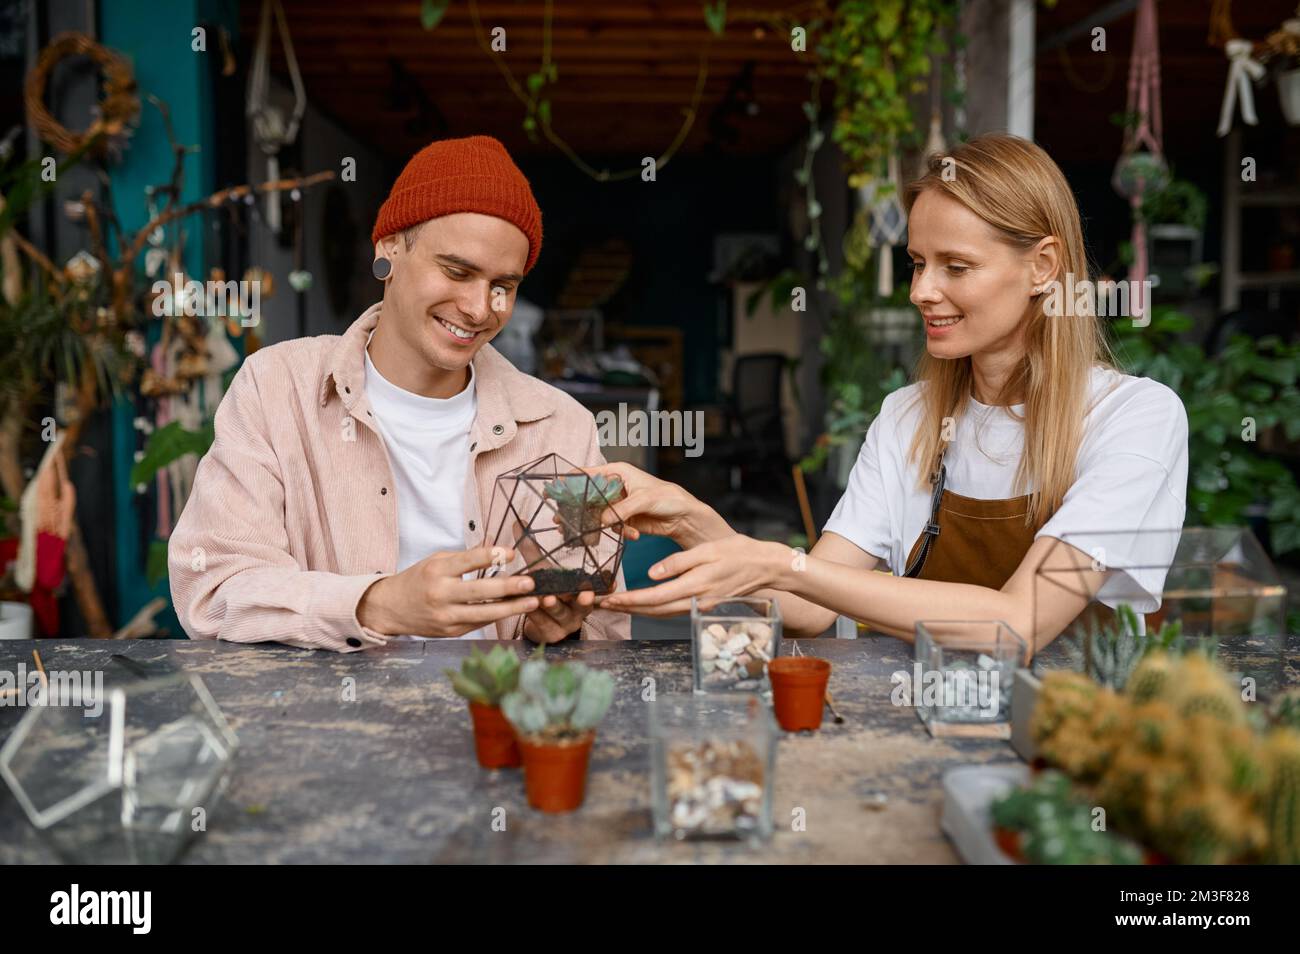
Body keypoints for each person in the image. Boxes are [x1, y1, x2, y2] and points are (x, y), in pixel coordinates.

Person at [596, 134, 1188, 654]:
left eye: (956, 266)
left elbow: (1021, 621)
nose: (922, 292)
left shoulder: (1133, 417)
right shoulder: (908, 417)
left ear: (1043, 266)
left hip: (1063, 749)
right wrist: (698, 523)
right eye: (917, 263)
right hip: (917, 729)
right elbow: (812, 605)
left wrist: (783, 562)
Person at [170, 135, 628, 652]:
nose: (480, 308)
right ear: (389, 246)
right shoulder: (276, 389)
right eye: (457, 271)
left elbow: (607, 632)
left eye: (505, 284)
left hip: (498, 723)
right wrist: (378, 603)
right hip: (326, 727)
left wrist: (561, 631)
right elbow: (213, 590)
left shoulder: (561, 424)